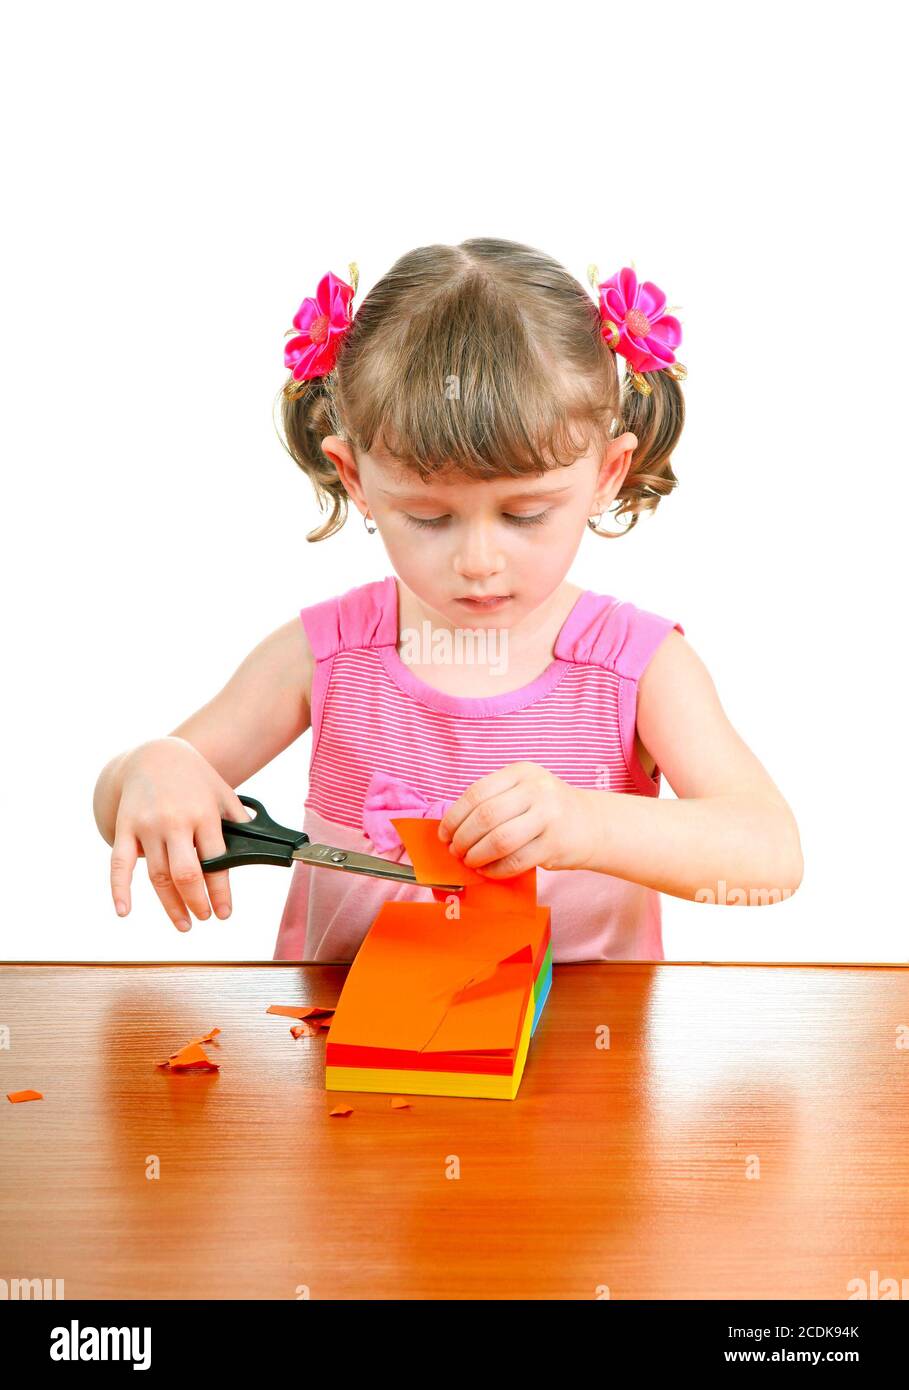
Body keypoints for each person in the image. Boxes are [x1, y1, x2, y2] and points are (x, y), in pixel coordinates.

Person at [93, 237, 803, 962]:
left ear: (607, 472)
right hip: (339, 1054)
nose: (478, 562)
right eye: (429, 518)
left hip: (582, 1067)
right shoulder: (324, 653)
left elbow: (769, 855)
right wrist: (152, 766)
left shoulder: (638, 667)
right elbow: (123, 802)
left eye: (525, 514)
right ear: (354, 476)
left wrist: (588, 823)